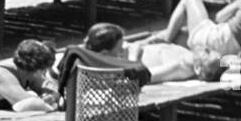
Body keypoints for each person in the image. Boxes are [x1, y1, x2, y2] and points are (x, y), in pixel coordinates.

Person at [80, 21, 224, 84]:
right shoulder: (185, 58)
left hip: (130, 60)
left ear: (199, 68)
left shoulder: (180, 66)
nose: (205, 48)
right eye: (209, 49)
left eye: (207, 52)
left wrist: (132, 60)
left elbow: (143, 76)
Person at [157, 0, 241, 59]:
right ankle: (160, 38)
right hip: (239, 54)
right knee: (184, 33)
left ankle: (166, 41)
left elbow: (219, 17)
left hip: (214, 44)